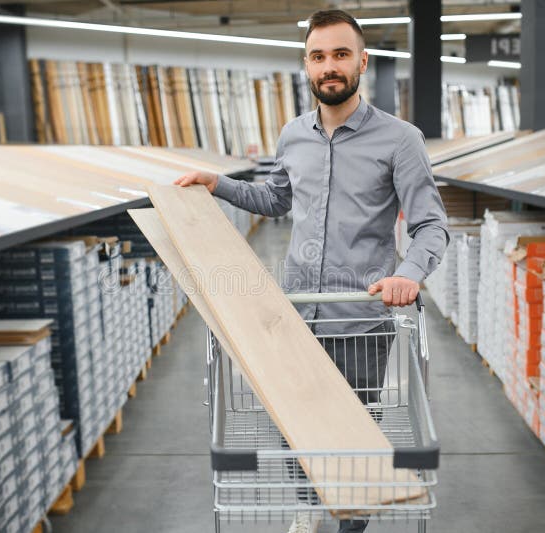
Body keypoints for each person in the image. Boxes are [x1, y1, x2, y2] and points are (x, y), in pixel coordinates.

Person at [175, 9, 448, 533]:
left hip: (360, 322)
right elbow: (276, 199)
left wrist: (409, 274)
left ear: (362, 61)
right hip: (295, 318)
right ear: (306, 64)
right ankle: (307, 504)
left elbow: (431, 225)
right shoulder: (293, 135)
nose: (329, 66)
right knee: (294, 428)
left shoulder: (401, 140)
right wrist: (218, 184)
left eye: (341, 54)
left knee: (353, 437)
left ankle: (351, 521)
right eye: (318, 56)